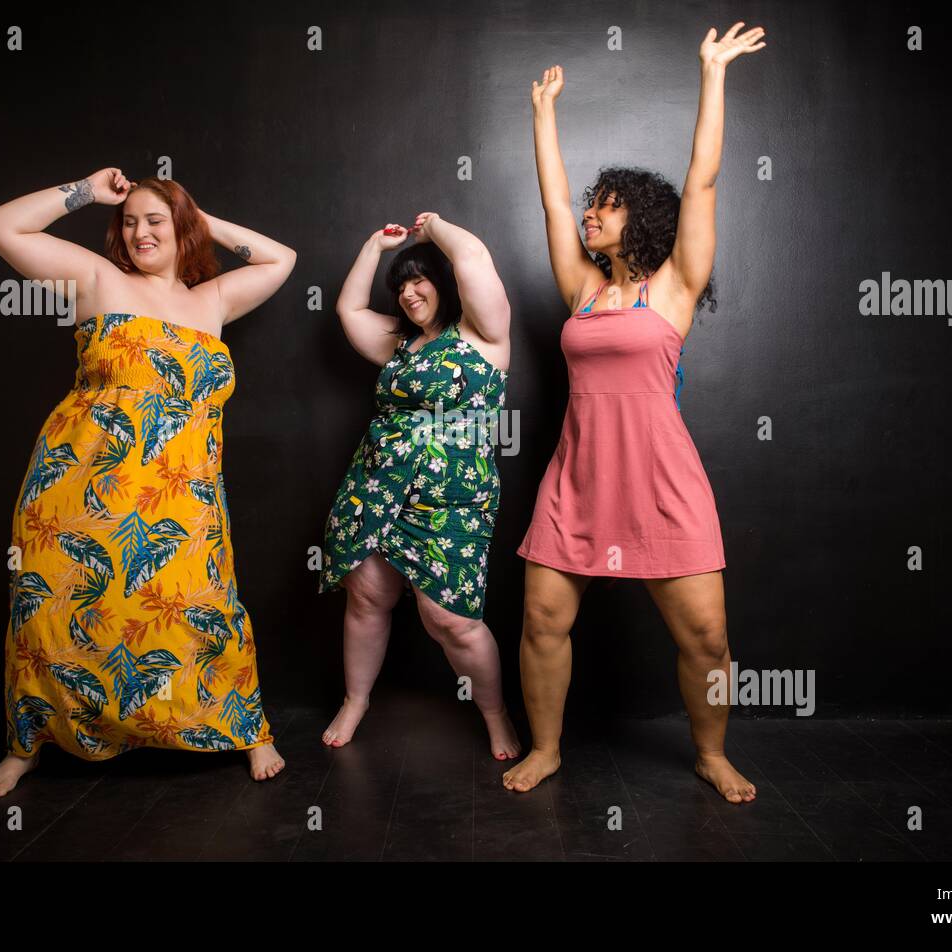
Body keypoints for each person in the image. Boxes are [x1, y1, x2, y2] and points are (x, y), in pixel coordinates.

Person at [506, 22, 767, 803]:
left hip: (661, 482)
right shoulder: (583, 293)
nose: (591, 215)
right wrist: (543, 115)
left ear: (642, 221)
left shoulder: (676, 287)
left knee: (710, 639)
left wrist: (713, 73)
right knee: (543, 624)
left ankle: (712, 753)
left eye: (607, 208)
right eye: (594, 205)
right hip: (578, 481)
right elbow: (552, 201)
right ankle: (547, 748)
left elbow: (707, 178)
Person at [0, 169, 293, 796]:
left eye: (156, 220)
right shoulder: (99, 280)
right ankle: (27, 743)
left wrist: (195, 215)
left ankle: (248, 730)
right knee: (55, 612)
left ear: (182, 229)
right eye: (130, 222)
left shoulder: (215, 301)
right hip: (80, 489)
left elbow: (282, 258)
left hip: (184, 495)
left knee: (205, 611)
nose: (140, 231)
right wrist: (87, 192)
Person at [318, 213, 520, 759]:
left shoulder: (484, 335)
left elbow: (473, 257)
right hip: (375, 488)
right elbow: (348, 309)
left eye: (418, 280)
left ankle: (495, 714)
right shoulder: (398, 344)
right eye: (400, 285)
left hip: (453, 499)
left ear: (445, 282)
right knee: (367, 597)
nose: (407, 294)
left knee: (450, 618)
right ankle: (356, 700)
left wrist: (432, 229)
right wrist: (372, 245)